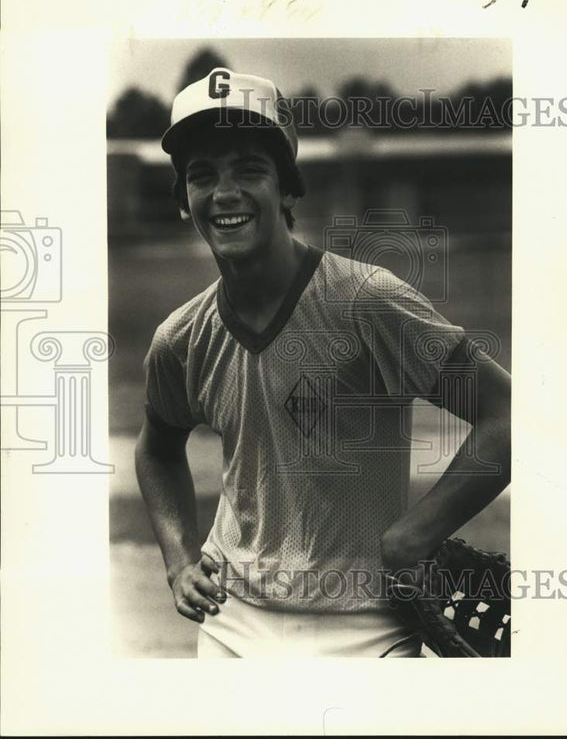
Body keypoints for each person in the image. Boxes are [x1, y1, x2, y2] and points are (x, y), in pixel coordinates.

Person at [135, 68, 511, 658]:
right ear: (184, 200)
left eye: (249, 170)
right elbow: (156, 448)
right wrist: (180, 559)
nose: (224, 192)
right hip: (232, 621)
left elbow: (508, 415)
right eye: (202, 176)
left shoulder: (368, 302)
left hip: (367, 624)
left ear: (288, 188)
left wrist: (418, 534)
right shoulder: (181, 337)